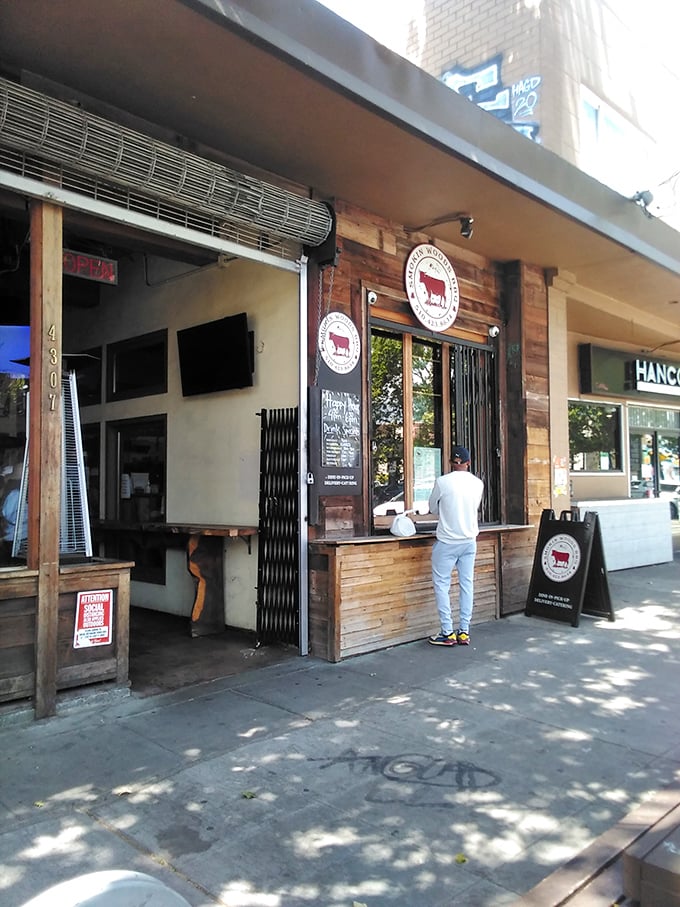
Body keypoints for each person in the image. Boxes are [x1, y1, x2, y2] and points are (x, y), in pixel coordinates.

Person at [427, 445, 484, 647]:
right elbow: (474, 507)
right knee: (466, 585)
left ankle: (447, 632)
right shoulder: (478, 484)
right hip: (469, 541)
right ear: (468, 463)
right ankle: (464, 631)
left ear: (451, 462)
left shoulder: (442, 482)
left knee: (442, 585)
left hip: (447, 541)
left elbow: (432, 507)